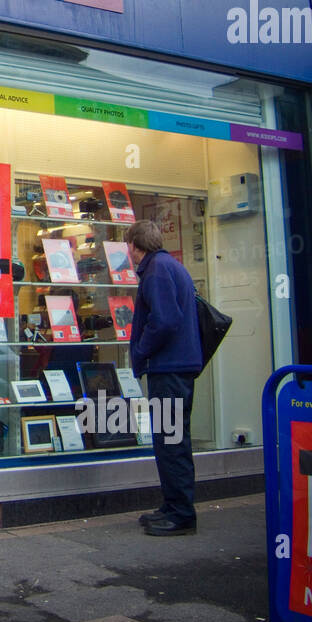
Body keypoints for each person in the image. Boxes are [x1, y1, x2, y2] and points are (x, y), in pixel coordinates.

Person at [124, 219, 203, 536]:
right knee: (172, 439)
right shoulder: (169, 265)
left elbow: (166, 320)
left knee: (170, 441)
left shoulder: (156, 271)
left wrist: (142, 350)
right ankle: (173, 505)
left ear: (134, 246)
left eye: (128, 245)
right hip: (176, 366)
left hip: (169, 369)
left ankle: (182, 513)